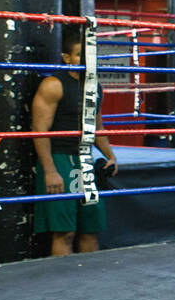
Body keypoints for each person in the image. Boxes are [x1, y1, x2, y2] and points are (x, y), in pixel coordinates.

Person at [31, 28, 117, 255]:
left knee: (90, 230)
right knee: (64, 232)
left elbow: (97, 127)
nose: (87, 60)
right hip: (59, 159)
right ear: (67, 58)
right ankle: (61, 287)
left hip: (85, 161)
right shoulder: (53, 84)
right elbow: (39, 129)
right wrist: (50, 170)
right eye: (80, 54)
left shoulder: (94, 87)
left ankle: (91, 287)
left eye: (90, 54)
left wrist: (110, 155)